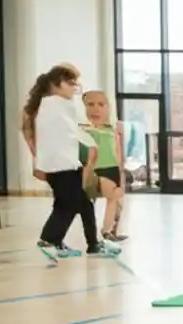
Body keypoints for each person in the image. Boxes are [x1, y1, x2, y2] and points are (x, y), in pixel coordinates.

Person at [21, 65, 119, 260]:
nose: (74, 88)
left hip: (57, 165)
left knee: (82, 204)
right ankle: (49, 240)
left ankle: (91, 244)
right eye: (70, 83)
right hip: (63, 166)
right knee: (69, 204)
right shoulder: (59, 105)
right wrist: (92, 145)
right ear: (56, 85)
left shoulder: (45, 105)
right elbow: (73, 132)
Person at [81, 89, 127, 242]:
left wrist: (121, 170)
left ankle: (110, 231)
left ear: (107, 107)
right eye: (91, 104)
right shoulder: (84, 130)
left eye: (101, 104)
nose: (96, 109)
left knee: (117, 201)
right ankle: (105, 232)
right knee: (112, 195)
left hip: (113, 169)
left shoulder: (112, 130)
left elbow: (118, 151)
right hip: (96, 170)